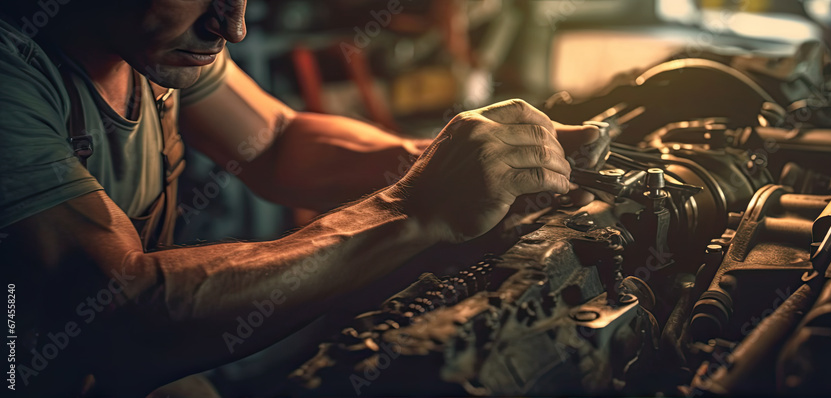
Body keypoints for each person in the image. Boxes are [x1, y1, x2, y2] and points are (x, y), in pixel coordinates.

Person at [0, 0, 604, 396]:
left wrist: (465, 165)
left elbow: (275, 143)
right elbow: (123, 312)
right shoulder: (14, 73)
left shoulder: (151, 38)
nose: (231, 26)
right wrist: (414, 209)